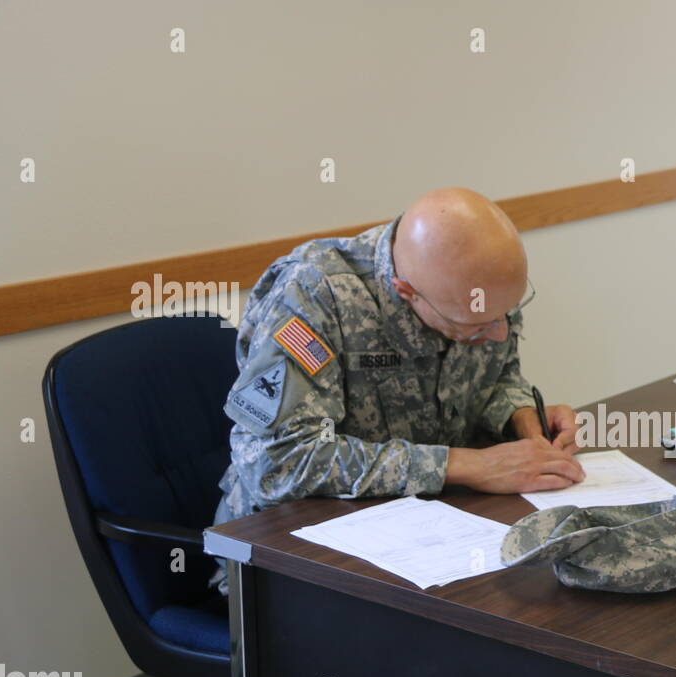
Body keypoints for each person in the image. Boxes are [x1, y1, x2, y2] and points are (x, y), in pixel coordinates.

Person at [210, 187, 584, 595]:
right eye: (477, 327)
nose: (500, 333)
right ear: (407, 292)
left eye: (507, 313)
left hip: (431, 534)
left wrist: (521, 416)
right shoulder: (314, 294)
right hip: (294, 563)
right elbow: (276, 461)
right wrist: (466, 466)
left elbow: (497, 376)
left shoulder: (477, 290)